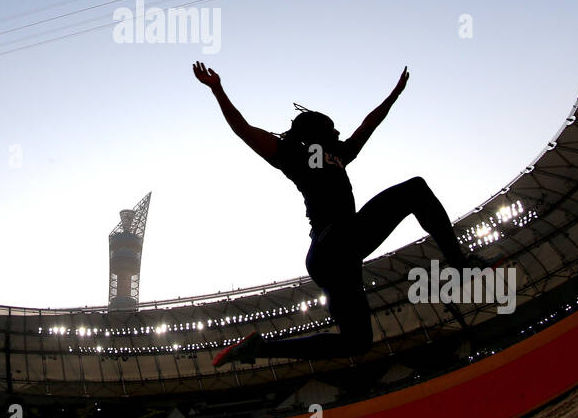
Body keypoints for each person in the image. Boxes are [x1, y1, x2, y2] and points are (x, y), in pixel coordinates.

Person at [193, 62, 475, 366]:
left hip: (335, 255)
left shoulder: (337, 154)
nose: (339, 130)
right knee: (415, 190)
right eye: (332, 127)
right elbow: (244, 130)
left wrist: (394, 95)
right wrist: (218, 90)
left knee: (357, 342)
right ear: (317, 132)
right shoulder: (294, 154)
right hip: (336, 239)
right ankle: (459, 263)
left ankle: (259, 349)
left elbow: (368, 125)